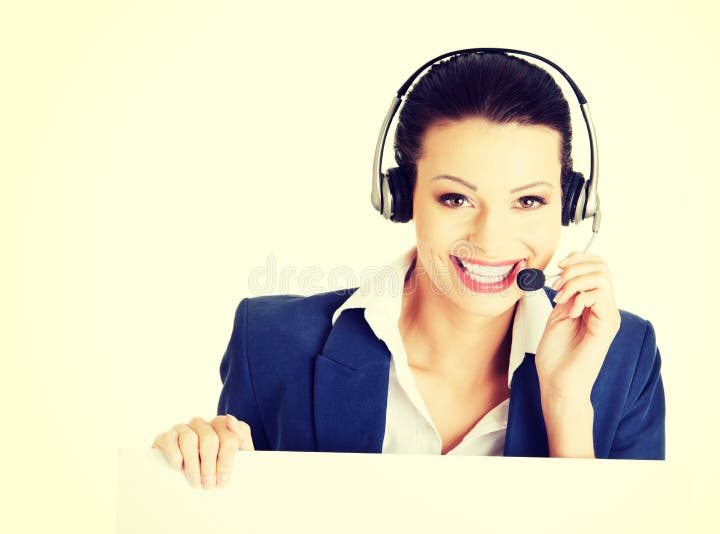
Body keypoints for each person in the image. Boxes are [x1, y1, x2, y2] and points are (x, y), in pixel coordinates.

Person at [152, 50, 666, 490]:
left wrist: (567, 407)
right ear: (400, 199)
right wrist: (198, 466)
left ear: (572, 207)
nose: (490, 239)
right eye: (456, 197)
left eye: (529, 200)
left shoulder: (623, 357)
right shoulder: (270, 343)